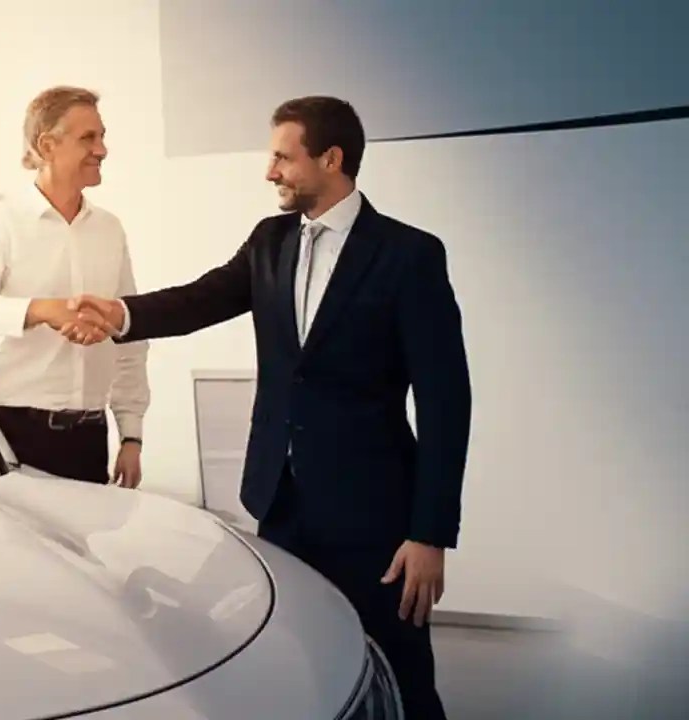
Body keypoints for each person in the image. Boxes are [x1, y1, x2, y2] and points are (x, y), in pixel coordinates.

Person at [64, 96, 470, 719]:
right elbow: (203, 298)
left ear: (330, 159)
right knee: (301, 667)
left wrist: (430, 532)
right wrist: (124, 313)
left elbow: (447, 401)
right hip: (282, 504)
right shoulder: (270, 240)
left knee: (402, 676)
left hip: (377, 518)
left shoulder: (409, 255)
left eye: (283, 156)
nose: (270, 171)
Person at [0, 85, 150, 488]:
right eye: (88, 138)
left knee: (80, 552)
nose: (102, 149)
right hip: (12, 431)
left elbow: (130, 336)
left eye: (102, 136)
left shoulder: (110, 230)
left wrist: (131, 433)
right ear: (47, 145)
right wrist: (41, 310)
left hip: (90, 437)